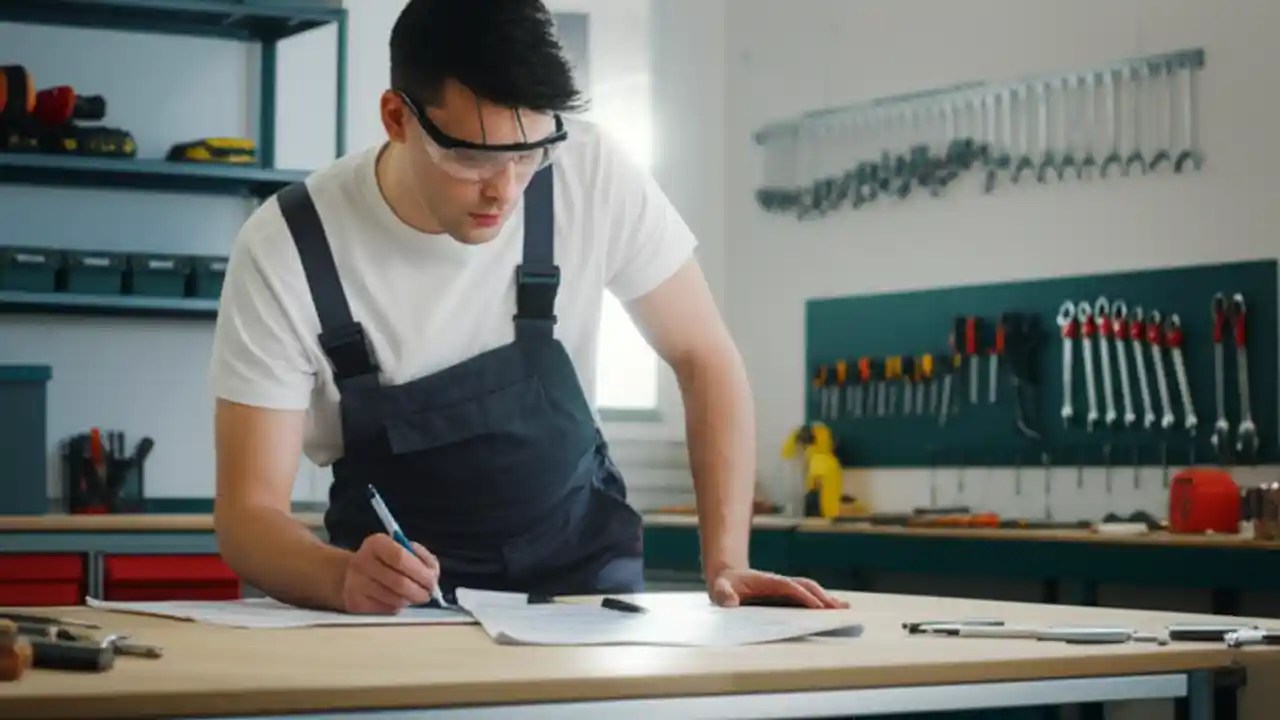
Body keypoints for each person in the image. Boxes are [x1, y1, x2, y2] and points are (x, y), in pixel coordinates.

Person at [210, 0, 845, 614]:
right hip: (394, 616)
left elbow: (704, 358)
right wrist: (340, 575)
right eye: (471, 157)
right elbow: (248, 516)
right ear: (397, 119)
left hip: (584, 598)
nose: (505, 190)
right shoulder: (288, 247)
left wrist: (726, 562)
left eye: (528, 154)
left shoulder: (588, 172)